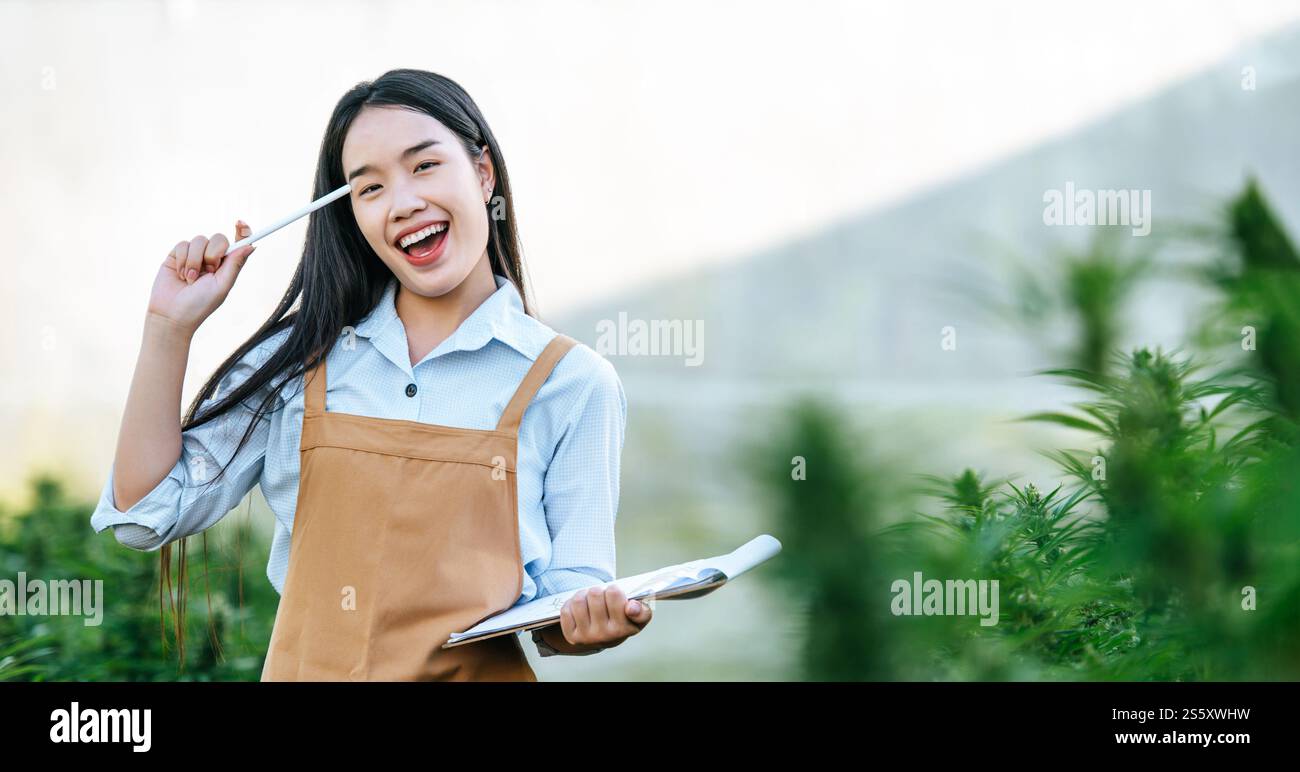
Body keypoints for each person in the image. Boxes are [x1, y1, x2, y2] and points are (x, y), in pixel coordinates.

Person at [89, 68, 651, 681]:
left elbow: (567, 606)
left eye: (425, 166)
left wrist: (591, 622)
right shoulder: (301, 359)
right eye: (370, 187)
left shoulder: (572, 384)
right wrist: (168, 329)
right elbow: (146, 512)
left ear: (483, 172)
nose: (404, 202)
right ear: (351, 213)